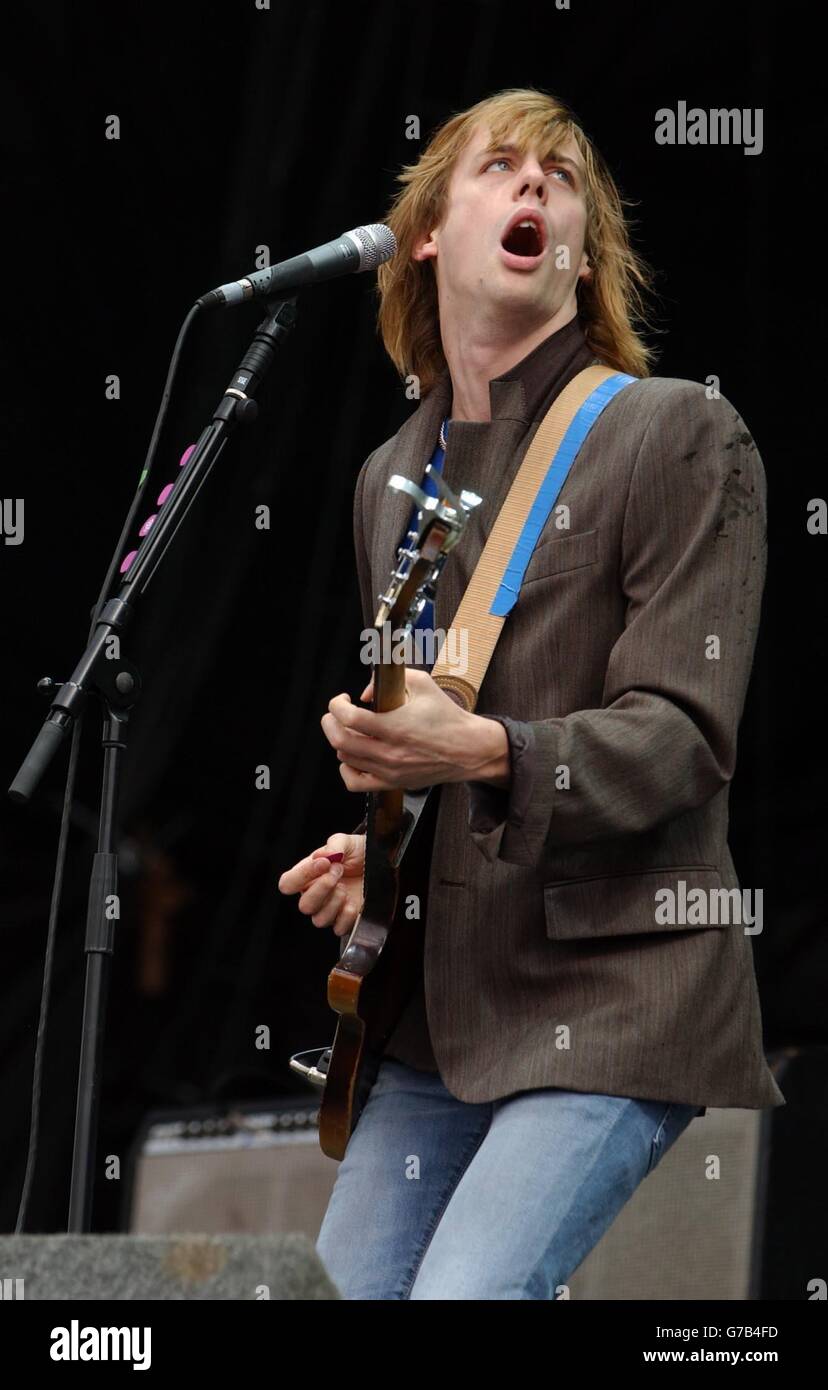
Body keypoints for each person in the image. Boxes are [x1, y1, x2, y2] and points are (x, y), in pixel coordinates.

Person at [278, 87, 784, 1300]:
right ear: (426, 234)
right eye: (500, 168)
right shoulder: (388, 476)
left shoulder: (675, 433)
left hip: (614, 992)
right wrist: (386, 841)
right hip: (434, 1017)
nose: (535, 190)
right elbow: (447, 735)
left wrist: (482, 753)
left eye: (560, 182)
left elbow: (680, 740)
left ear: (582, 252)